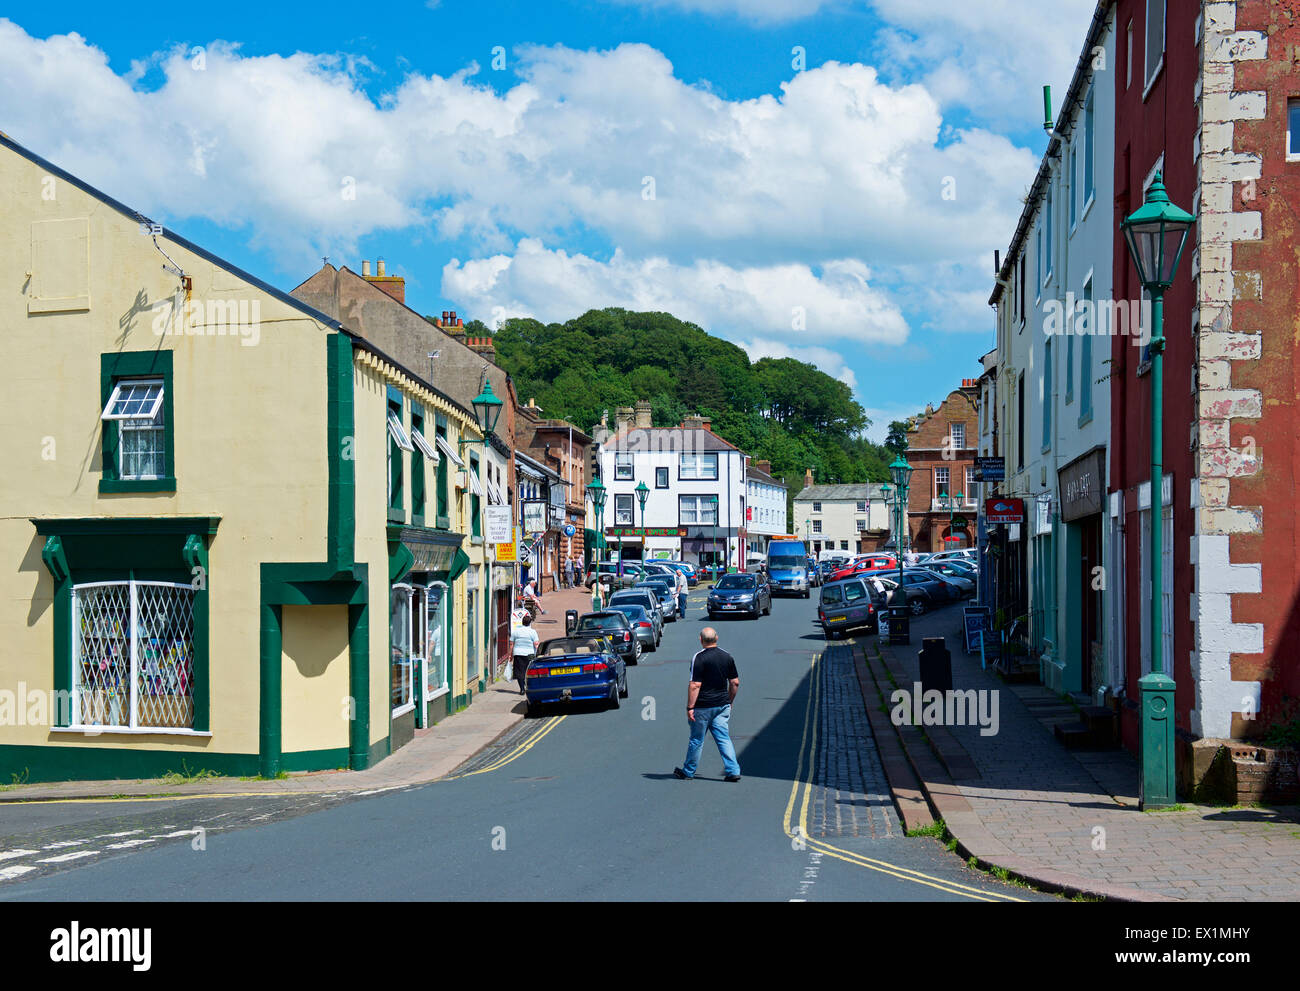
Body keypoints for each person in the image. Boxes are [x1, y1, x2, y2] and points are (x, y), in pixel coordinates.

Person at [674, 627, 741, 782]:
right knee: (724, 738)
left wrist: (690, 707)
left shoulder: (699, 658)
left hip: (703, 706)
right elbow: (735, 682)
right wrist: (729, 701)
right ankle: (733, 771)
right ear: (716, 638)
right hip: (722, 705)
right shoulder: (727, 656)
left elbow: (695, 685)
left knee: (697, 739)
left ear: (700, 639)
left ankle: (688, 771)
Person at [511, 613, 540, 693]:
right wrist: (538, 654)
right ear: (530, 623)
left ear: (522, 622)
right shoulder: (532, 632)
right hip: (530, 654)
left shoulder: (516, 631)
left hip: (518, 653)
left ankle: (522, 689)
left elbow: (511, 644)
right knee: (529, 671)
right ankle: (528, 686)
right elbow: (536, 644)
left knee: (519, 672)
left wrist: (510, 655)